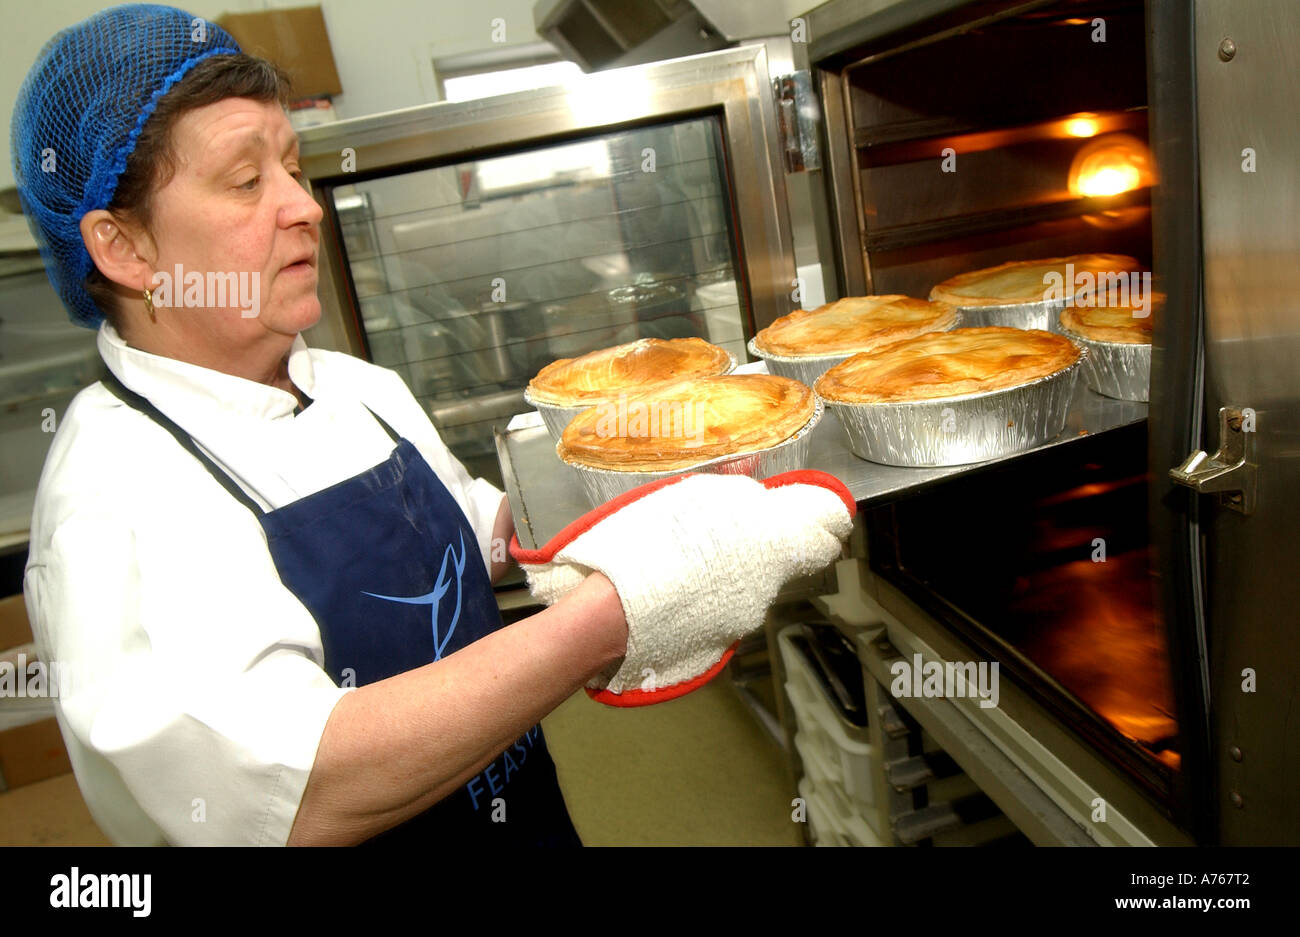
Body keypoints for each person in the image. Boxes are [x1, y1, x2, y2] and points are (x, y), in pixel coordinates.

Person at [12, 4, 854, 846]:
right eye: (245, 180)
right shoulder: (113, 502)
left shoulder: (350, 384)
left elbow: (478, 533)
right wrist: (622, 606)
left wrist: (651, 486)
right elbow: (305, 789)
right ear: (124, 250)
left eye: (294, 169)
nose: (302, 207)